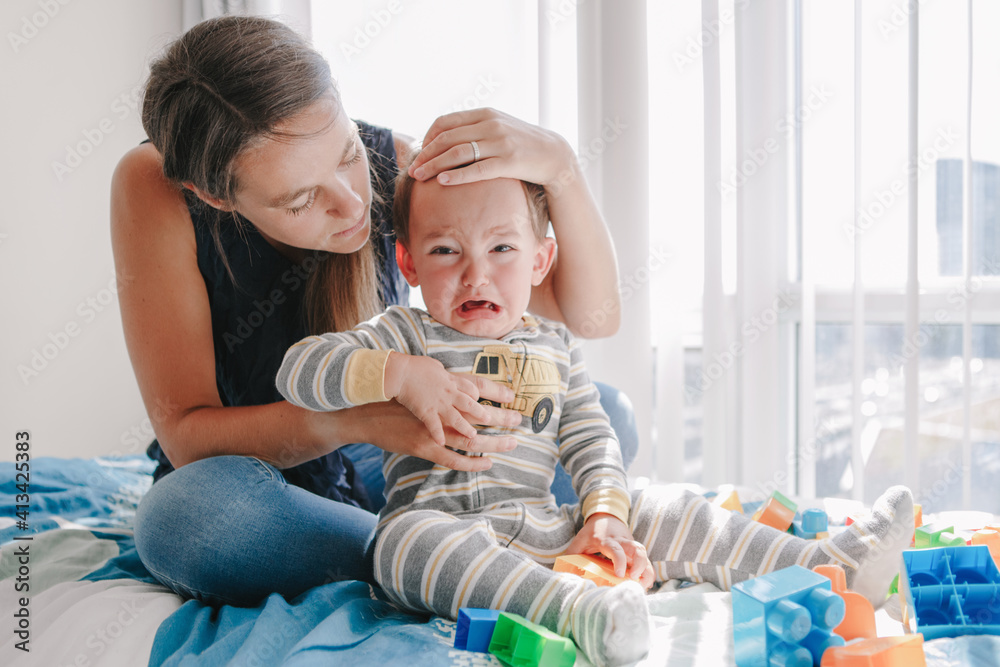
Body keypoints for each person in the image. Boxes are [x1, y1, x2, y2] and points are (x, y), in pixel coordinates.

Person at [275, 164, 915, 667]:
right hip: (444, 533)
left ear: (539, 260)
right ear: (408, 262)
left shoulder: (554, 344)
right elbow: (298, 372)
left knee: (661, 504)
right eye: (444, 251)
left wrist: (606, 517)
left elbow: (590, 437)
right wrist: (396, 374)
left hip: (546, 528)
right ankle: (575, 612)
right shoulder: (402, 332)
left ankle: (828, 563)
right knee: (400, 543)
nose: (476, 274)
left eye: (501, 247)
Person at [112, 15, 632, 607]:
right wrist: (357, 418)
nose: (354, 202)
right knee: (185, 519)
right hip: (263, 473)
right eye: (302, 199)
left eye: (347, 152)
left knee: (608, 414)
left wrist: (562, 169)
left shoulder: (406, 166)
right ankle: (423, 553)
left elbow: (593, 317)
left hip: (382, 464)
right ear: (214, 196)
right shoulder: (154, 185)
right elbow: (184, 435)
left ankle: (446, 554)